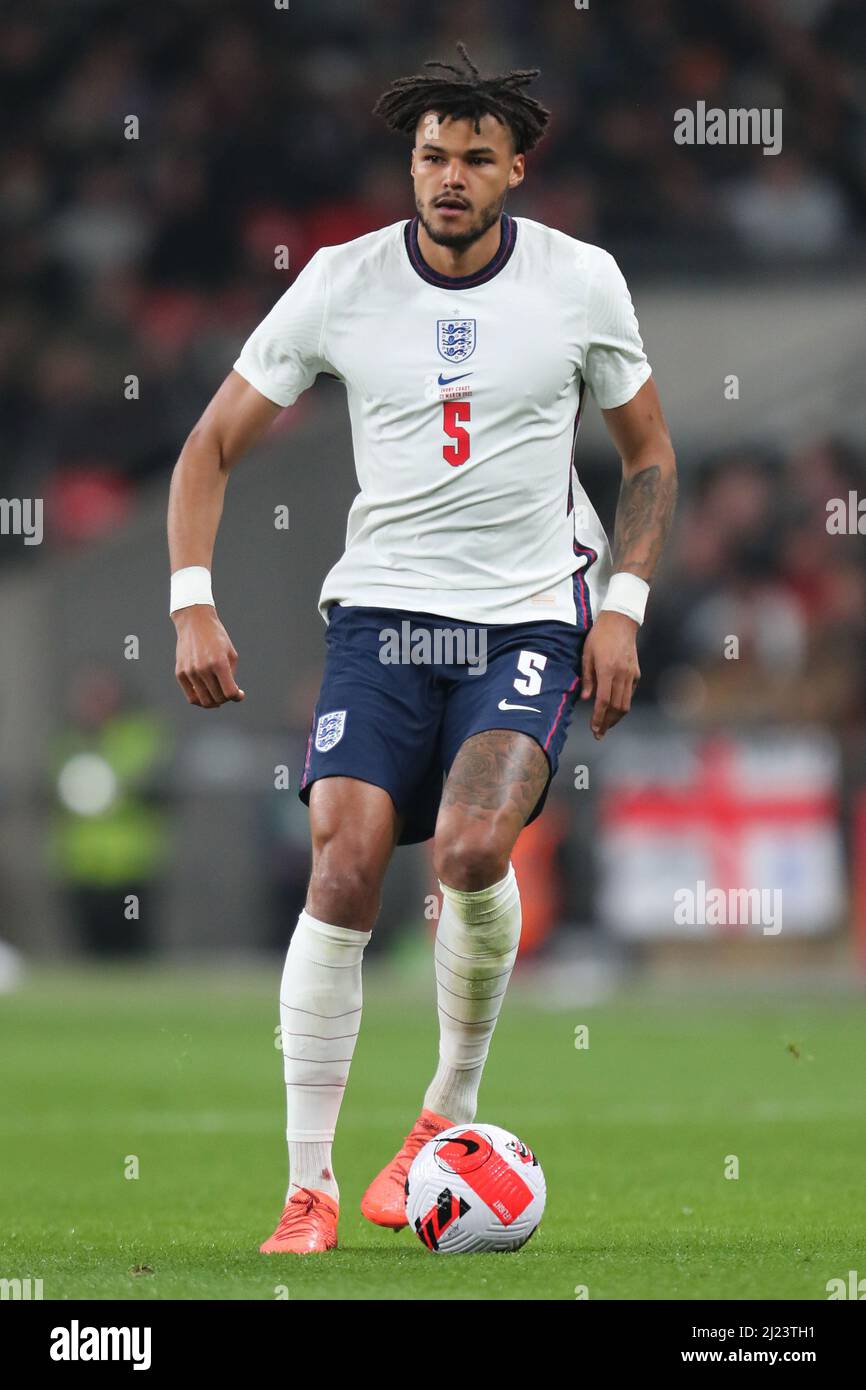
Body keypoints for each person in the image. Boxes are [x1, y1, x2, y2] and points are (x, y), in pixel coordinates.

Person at [166, 45, 677, 1253]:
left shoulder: (577, 281)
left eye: (472, 160)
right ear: (412, 162)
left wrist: (626, 607)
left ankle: (441, 1114)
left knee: (468, 847)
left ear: (514, 170)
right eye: (429, 157)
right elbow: (209, 444)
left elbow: (647, 452)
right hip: (381, 618)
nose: (447, 178)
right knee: (339, 865)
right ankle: (307, 1189)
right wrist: (191, 598)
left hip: (525, 613)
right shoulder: (341, 282)